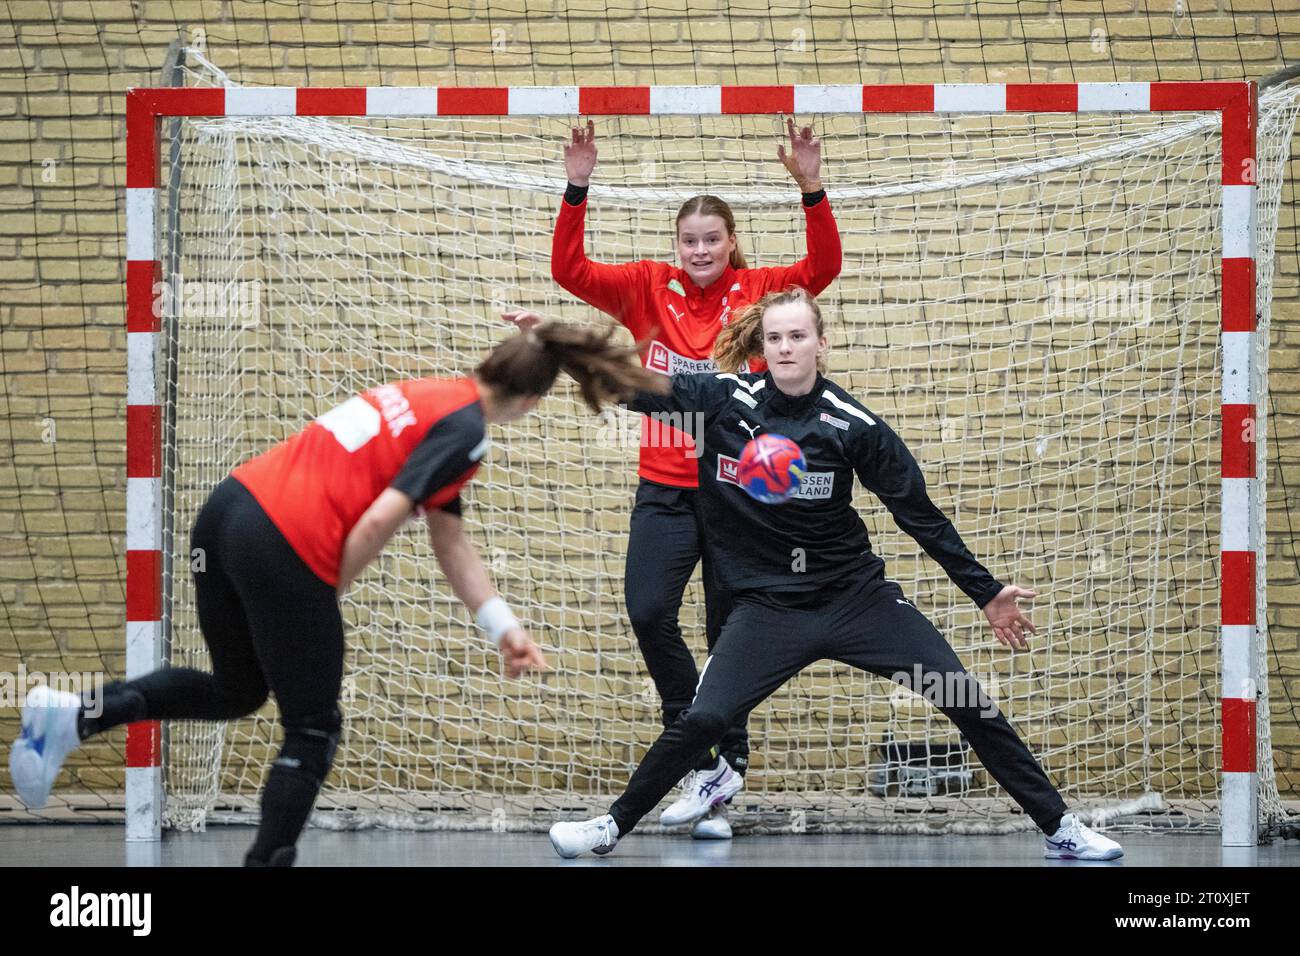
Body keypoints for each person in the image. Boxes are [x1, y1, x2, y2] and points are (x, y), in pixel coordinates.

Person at [9, 321, 666, 866]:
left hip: (228, 514)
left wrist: (502, 627)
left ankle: (74, 716)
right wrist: (324, 591)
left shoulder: (432, 394)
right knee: (315, 725)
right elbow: (381, 518)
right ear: (532, 399)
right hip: (283, 543)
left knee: (239, 689)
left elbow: (449, 540)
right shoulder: (468, 431)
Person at [547, 288, 1124, 861]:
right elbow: (633, 386)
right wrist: (557, 345)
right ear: (762, 346)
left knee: (965, 698)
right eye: (775, 338)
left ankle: (1061, 829)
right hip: (768, 609)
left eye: (798, 336)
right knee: (705, 718)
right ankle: (609, 827)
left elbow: (917, 514)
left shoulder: (853, 426)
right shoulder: (721, 401)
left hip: (856, 600)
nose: (786, 347)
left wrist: (988, 593)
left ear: (821, 344)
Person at [536, 117, 843, 839]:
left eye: (712, 239)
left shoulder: (762, 293)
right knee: (648, 610)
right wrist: (577, 186)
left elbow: (823, 267)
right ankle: (706, 759)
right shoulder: (649, 287)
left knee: (727, 635)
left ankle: (717, 790)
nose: (701, 250)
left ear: (731, 243)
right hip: (667, 486)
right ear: (677, 246)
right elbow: (569, 273)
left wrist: (811, 187)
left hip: (741, 493)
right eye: (689, 240)